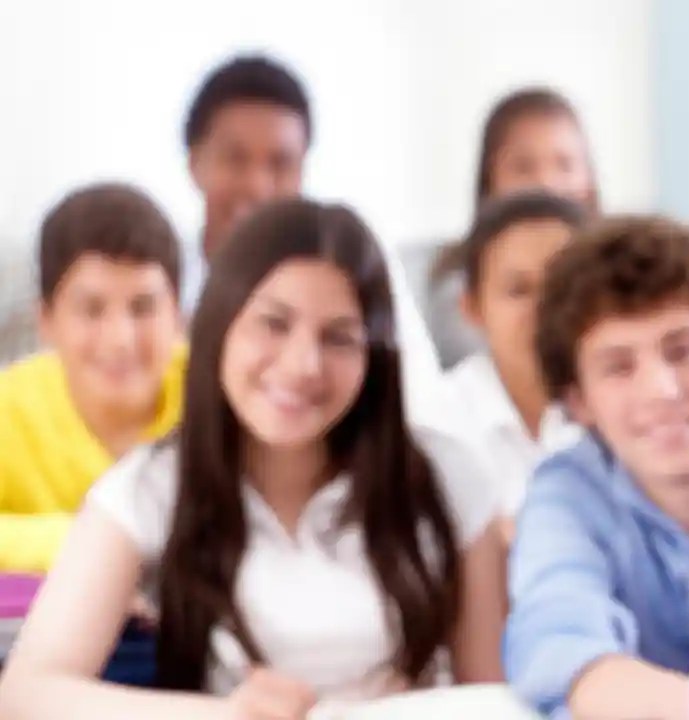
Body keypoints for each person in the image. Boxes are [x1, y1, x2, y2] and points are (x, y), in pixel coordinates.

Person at [0, 200, 506, 719]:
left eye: (339, 337)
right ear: (218, 327)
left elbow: (492, 696)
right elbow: (27, 693)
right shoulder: (150, 487)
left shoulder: (448, 478)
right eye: (273, 324)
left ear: (373, 354)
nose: (302, 365)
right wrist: (228, 716)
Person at [504, 216, 689, 720]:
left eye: (682, 351)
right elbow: (565, 652)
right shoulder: (567, 496)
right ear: (579, 402)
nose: (662, 390)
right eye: (618, 366)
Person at [182, 54, 442, 426]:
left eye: (280, 163)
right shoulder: (155, 283)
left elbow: (422, 405)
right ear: (196, 164)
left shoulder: (358, 266)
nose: (257, 185)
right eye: (236, 159)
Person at [0, 183, 185, 573]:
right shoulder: (10, 408)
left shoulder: (219, 393)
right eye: (92, 309)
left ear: (178, 315)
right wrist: (106, 541)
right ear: (46, 321)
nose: (120, 339)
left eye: (143, 307)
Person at [426, 190, 589, 527]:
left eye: (561, 285)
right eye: (518, 290)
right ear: (472, 307)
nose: (542, 309)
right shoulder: (434, 421)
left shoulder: (627, 409)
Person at [426, 87, 599, 369]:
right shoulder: (457, 283)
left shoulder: (616, 272)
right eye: (524, 167)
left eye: (565, 164)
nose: (547, 183)